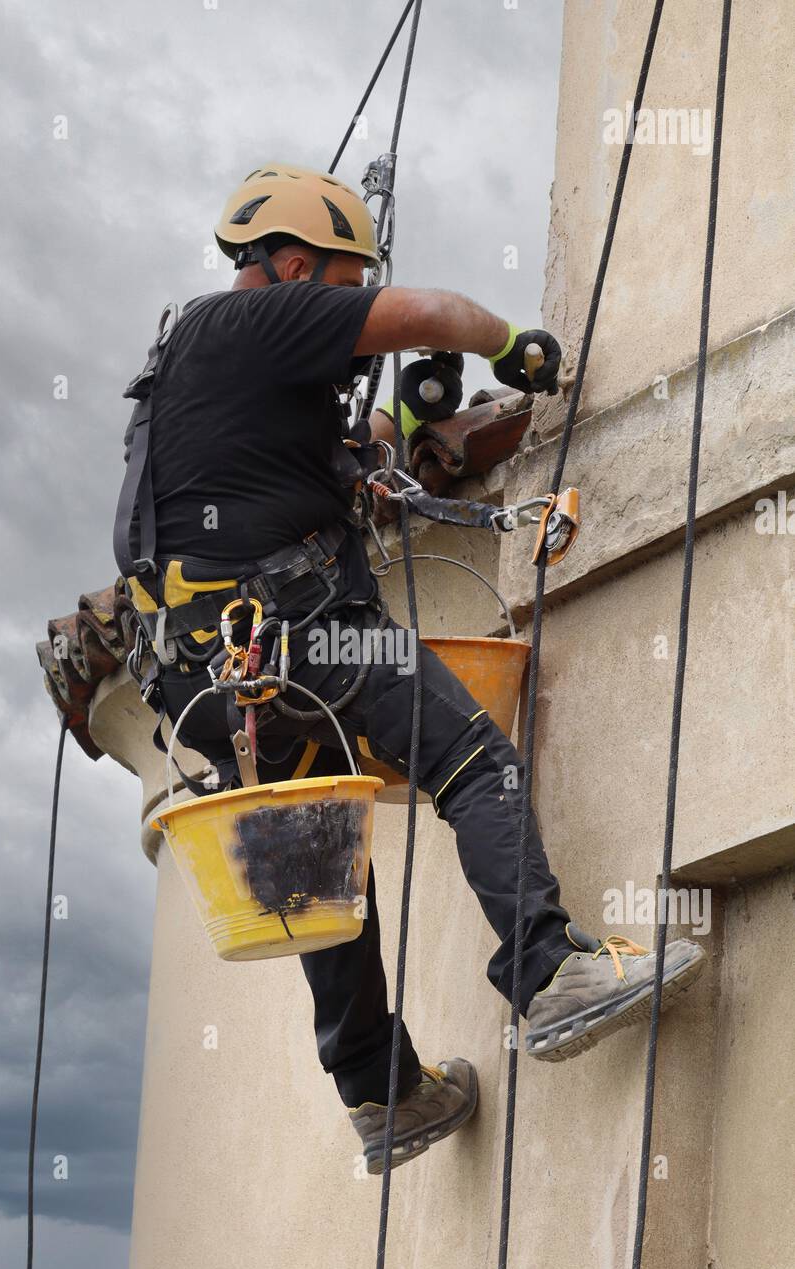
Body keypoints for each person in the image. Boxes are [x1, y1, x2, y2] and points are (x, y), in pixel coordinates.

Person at [114, 164, 706, 1175]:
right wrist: (507, 348)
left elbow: (329, 459)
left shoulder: (196, 378)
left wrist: (397, 435)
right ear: (295, 267)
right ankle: (547, 967)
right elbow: (430, 308)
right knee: (472, 757)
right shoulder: (248, 322)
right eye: (343, 282)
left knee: (314, 861)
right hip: (298, 631)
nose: (346, 307)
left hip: (205, 678)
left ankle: (381, 1096)